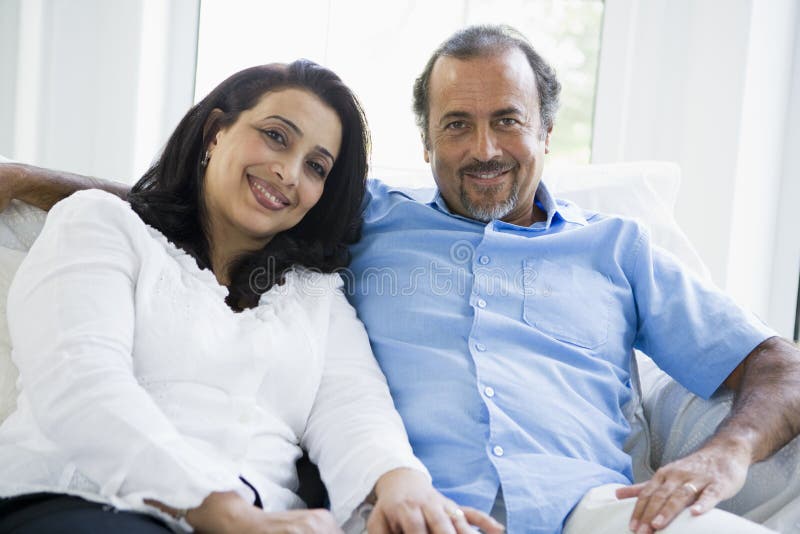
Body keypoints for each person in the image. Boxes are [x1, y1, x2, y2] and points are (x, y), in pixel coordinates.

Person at [1, 25, 799, 534]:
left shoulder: (618, 248)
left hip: (592, 511)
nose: (483, 148)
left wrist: (725, 454)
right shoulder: (368, 220)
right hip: (413, 519)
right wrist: (28, 179)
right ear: (426, 145)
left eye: (507, 120)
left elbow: (777, 365)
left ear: (547, 132)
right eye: (457, 125)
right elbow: (226, 208)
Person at [0, 60, 502, 534]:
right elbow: (79, 385)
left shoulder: (315, 295)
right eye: (276, 136)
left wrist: (402, 485)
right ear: (215, 133)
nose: (289, 173)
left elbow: (356, 407)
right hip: (83, 503)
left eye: (316, 167)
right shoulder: (101, 224)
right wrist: (227, 513)